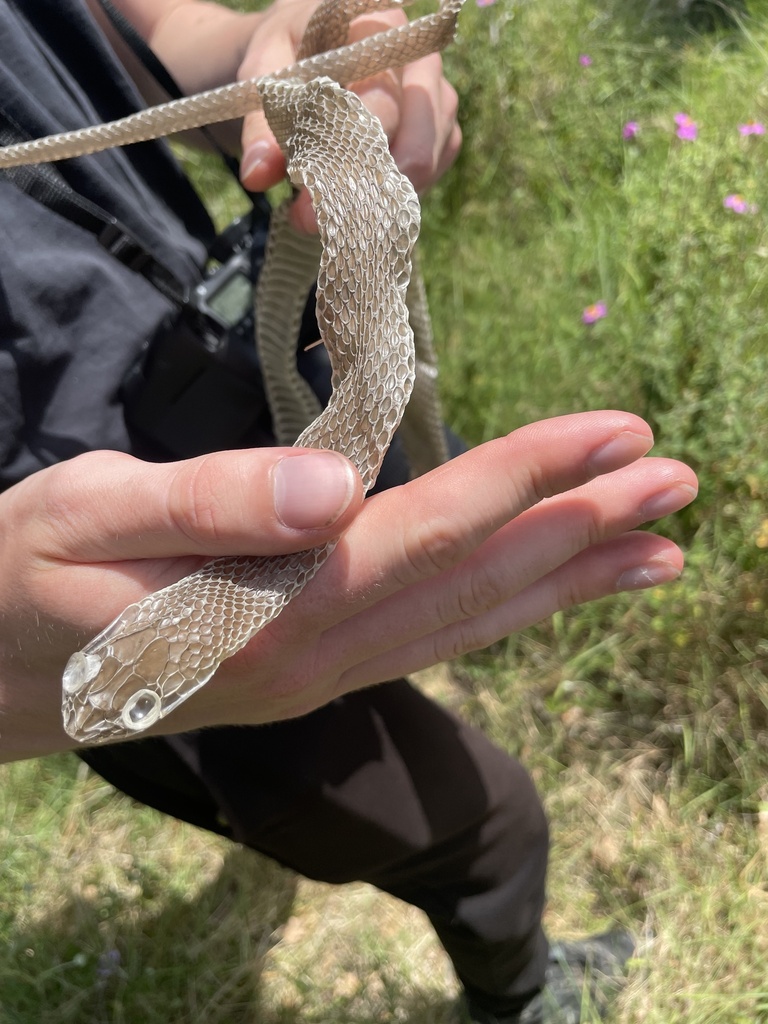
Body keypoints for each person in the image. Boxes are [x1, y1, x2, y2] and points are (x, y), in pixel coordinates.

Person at [0, 1, 698, 1021]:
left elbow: (140, 31)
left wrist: (276, 56)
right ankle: (525, 997)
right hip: (97, 608)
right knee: (489, 822)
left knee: (460, 549)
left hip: (222, 368)